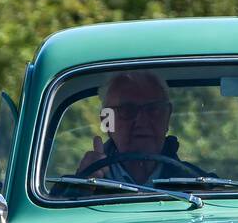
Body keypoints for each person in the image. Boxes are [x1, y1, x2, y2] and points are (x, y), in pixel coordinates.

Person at [75, 71, 204, 185]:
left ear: (167, 118)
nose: (142, 121)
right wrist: (82, 186)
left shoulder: (198, 185)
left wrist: (201, 192)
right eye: (127, 110)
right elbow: (66, 199)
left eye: (153, 109)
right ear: (107, 121)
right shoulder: (85, 183)